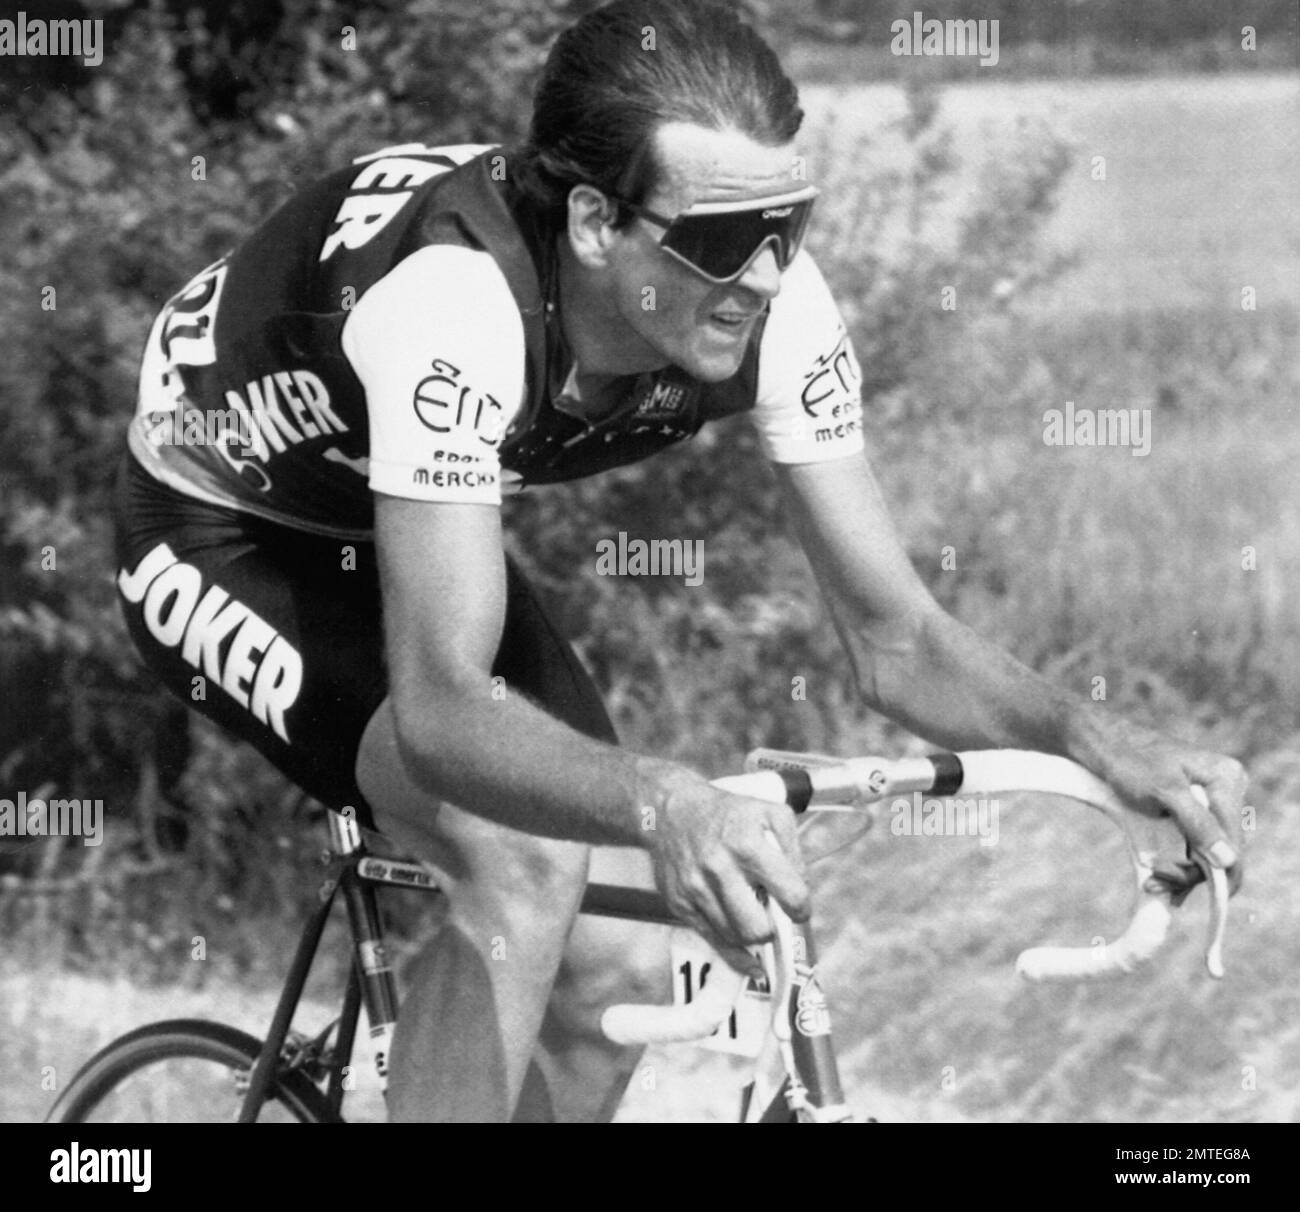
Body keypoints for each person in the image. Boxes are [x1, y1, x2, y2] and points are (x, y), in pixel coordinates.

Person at [113, 0, 1245, 1122]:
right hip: (224, 524)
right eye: (717, 241)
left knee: (614, 976)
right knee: (521, 863)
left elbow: (896, 643)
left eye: (787, 224)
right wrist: (661, 801)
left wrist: (1096, 742)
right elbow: (445, 712)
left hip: (398, 508)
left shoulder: (774, 308)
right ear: (598, 223)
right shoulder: (453, 304)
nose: (760, 276)